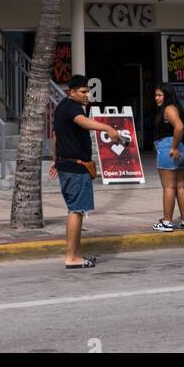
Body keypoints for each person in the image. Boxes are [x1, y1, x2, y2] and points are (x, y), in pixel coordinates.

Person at [48, 74, 125, 269]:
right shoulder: (73, 108)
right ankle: (72, 257)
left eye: (88, 91)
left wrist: (55, 160)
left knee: (74, 210)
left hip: (67, 165)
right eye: (83, 92)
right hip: (76, 167)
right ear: (71, 92)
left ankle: (76, 253)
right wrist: (107, 127)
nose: (87, 95)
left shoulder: (61, 108)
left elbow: (56, 136)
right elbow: (82, 121)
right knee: (77, 211)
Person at [153, 85, 184, 231]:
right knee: (180, 185)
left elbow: (179, 127)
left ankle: (167, 222)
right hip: (180, 147)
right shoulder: (176, 108)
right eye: (156, 95)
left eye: (160, 95)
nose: (156, 98)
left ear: (167, 95)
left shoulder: (168, 109)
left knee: (169, 186)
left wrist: (173, 147)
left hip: (170, 147)